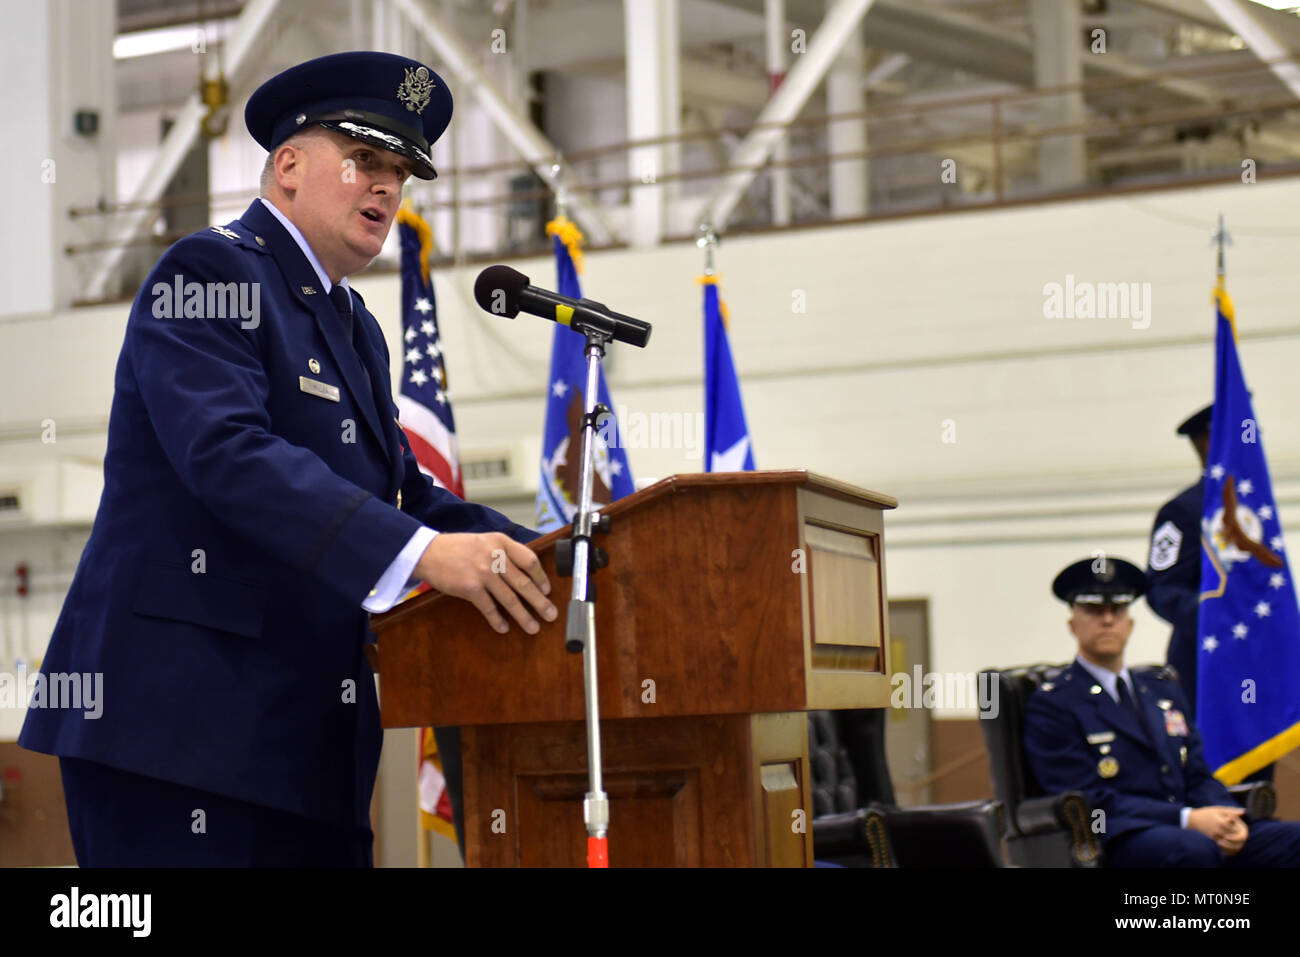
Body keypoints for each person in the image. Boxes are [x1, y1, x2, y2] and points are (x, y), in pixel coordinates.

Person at [18, 52, 557, 866]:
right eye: (364, 158)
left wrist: (552, 554)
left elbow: (406, 496)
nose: (386, 186)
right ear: (289, 165)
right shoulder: (207, 273)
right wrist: (424, 556)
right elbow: (228, 453)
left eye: (401, 172)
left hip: (306, 752)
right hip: (181, 736)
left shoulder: (356, 331)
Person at [1023, 556, 1300, 867]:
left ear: (1130, 624)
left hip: (1191, 825)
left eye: (1117, 610)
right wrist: (1186, 818)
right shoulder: (1054, 703)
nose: (1108, 620)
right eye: (1094, 610)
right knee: (1193, 849)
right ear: (1073, 624)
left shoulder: (1161, 690)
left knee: (1291, 841)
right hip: (1119, 833)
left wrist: (1226, 817)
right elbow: (1086, 797)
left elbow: (1196, 775)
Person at [1146, 405, 1210, 716]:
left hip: (1257, 668)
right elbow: (1162, 590)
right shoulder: (1184, 511)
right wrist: (1218, 615)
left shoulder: (1257, 507)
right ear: (1208, 442)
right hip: (1205, 671)